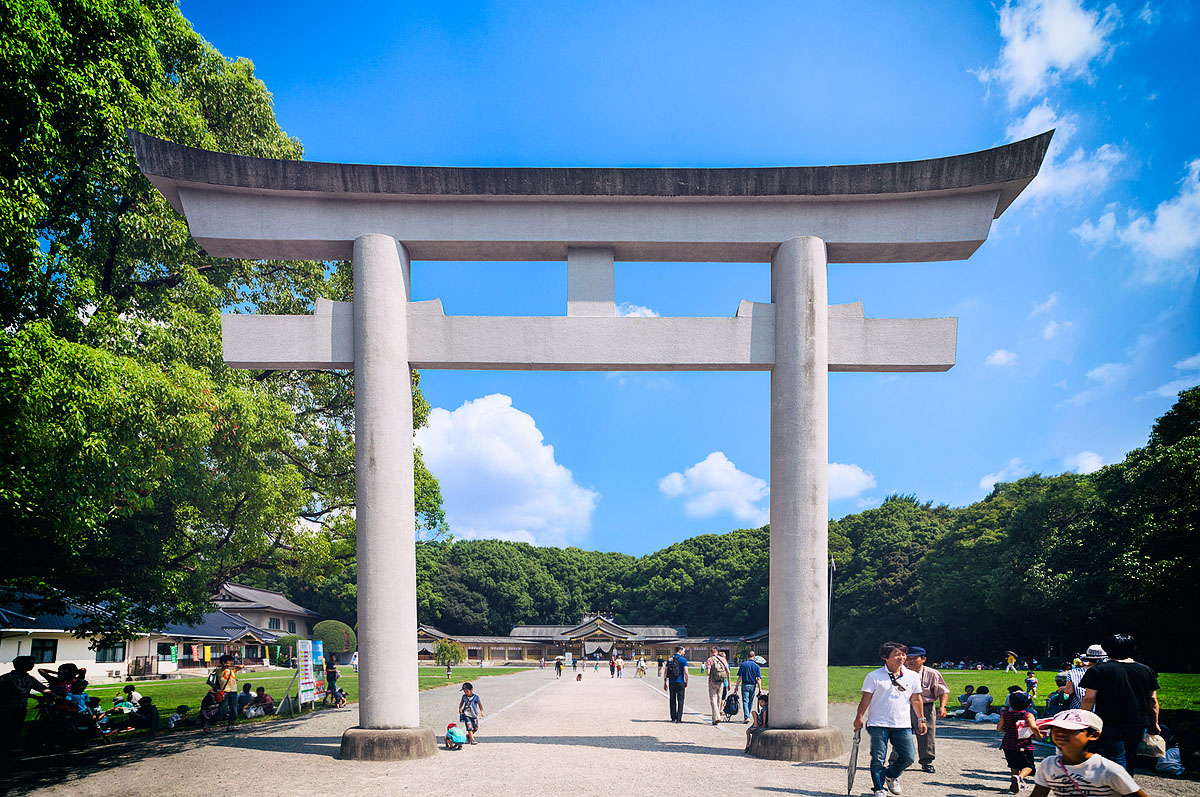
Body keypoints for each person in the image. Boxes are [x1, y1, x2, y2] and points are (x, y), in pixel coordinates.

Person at [853, 641, 927, 797]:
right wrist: (859, 717)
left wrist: (921, 719)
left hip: (902, 723)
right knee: (878, 758)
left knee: (908, 756)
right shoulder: (874, 676)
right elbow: (866, 698)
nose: (901, 657)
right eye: (896, 655)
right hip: (878, 723)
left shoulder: (912, 676)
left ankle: (891, 774)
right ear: (885, 658)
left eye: (903, 654)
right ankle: (879, 788)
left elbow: (916, 699)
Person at [1079, 633, 1160, 772]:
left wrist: (1082, 721)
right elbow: (1152, 700)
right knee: (1130, 757)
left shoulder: (1098, 671)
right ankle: (1126, 787)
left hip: (1109, 721)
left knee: (1115, 757)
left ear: (1107, 650)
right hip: (1138, 721)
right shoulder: (1147, 670)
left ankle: (1119, 788)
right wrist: (1154, 723)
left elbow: (1089, 698)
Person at [1029, 709, 1147, 797]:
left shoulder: (1108, 769)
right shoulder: (1048, 765)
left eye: (1070, 729)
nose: (1060, 733)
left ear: (1093, 735)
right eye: (1056, 728)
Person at [887, 645, 948, 774]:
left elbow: (943, 692)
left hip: (926, 707)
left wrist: (942, 707)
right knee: (900, 733)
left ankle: (926, 761)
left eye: (915, 658)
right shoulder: (899, 672)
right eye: (909, 658)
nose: (911, 661)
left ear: (924, 659)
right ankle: (895, 761)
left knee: (926, 735)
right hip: (904, 706)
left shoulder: (932, 673)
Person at [998, 691, 1043, 792]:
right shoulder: (1028, 715)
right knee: (1029, 766)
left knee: (1014, 765)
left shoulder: (1005, 715)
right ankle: (1019, 778)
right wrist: (1038, 735)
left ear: (1010, 703)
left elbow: (999, 728)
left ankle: (1017, 781)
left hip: (1007, 744)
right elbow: (1034, 727)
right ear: (1029, 703)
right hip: (1023, 744)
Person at [0, 655, 46, 753]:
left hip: (21, 708)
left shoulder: (29, 678)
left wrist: (52, 694)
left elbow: (41, 687)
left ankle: (9, 750)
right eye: (29, 663)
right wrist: (34, 697)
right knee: (5, 729)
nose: (32, 665)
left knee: (16, 729)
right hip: (7, 708)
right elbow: (16, 690)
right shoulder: (8, 678)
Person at [1063, 644, 1106, 710]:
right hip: (1103, 712)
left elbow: (1068, 691)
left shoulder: (1073, 672)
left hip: (1078, 710)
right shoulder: (1108, 671)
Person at [736, 649, 762, 724]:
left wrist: (737, 686)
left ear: (747, 657)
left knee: (745, 701)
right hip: (753, 685)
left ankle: (746, 716)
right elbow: (758, 678)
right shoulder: (757, 666)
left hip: (745, 684)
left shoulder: (743, 665)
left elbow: (740, 677)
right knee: (750, 701)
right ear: (754, 657)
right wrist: (760, 689)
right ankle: (748, 715)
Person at [214, 653, 239, 731]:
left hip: (233, 691)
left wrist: (231, 666)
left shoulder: (231, 670)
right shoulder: (219, 670)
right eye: (229, 661)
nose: (231, 663)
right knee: (223, 710)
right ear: (224, 662)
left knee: (234, 709)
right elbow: (221, 667)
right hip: (225, 692)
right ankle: (210, 722)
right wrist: (224, 665)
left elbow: (241, 666)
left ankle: (232, 724)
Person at [664, 645, 688, 723]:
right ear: (680, 650)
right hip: (680, 681)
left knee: (672, 700)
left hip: (671, 682)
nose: (684, 653)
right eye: (684, 651)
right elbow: (686, 673)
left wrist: (664, 682)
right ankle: (679, 718)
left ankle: (673, 717)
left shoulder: (670, 659)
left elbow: (665, 672)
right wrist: (686, 681)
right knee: (680, 700)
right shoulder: (683, 660)